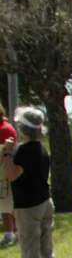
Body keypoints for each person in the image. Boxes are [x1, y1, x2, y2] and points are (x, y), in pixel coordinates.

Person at [2, 108, 53, 258]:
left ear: (23, 128)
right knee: (46, 248)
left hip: (28, 206)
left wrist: (7, 152)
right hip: (45, 201)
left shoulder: (23, 151)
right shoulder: (42, 148)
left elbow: (12, 174)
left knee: (31, 250)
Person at [0, 103, 16, 247]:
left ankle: (11, 234)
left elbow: (6, 151)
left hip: (5, 173)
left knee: (8, 204)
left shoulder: (5, 129)